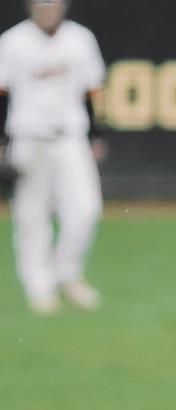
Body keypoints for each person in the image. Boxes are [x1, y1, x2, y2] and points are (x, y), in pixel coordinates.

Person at [0, 0, 104, 315]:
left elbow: (92, 90)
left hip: (70, 137)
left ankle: (67, 272)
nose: (48, 9)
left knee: (86, 209)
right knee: (31, 217)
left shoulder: (80, 39)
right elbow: (1, 93)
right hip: (28, 137)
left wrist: (97, 134)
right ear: (30, 7)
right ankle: (39, 287)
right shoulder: (13, 41)